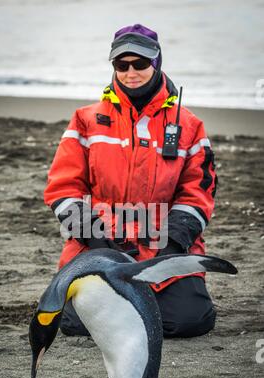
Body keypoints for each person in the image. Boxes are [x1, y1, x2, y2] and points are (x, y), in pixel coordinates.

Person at [44, 24, 217, 338]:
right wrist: (93, 237)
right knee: (73, 324)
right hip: (99, 246)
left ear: (157, 62)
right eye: (121, 65)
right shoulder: (85, 119)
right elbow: (63, 187)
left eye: (141, 63)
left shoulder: (189, 125)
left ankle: (134, 302)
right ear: (113, 67)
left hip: (163, 248)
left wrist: (175, 242)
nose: (131, 71)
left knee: (191, 322)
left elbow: (198, 192)